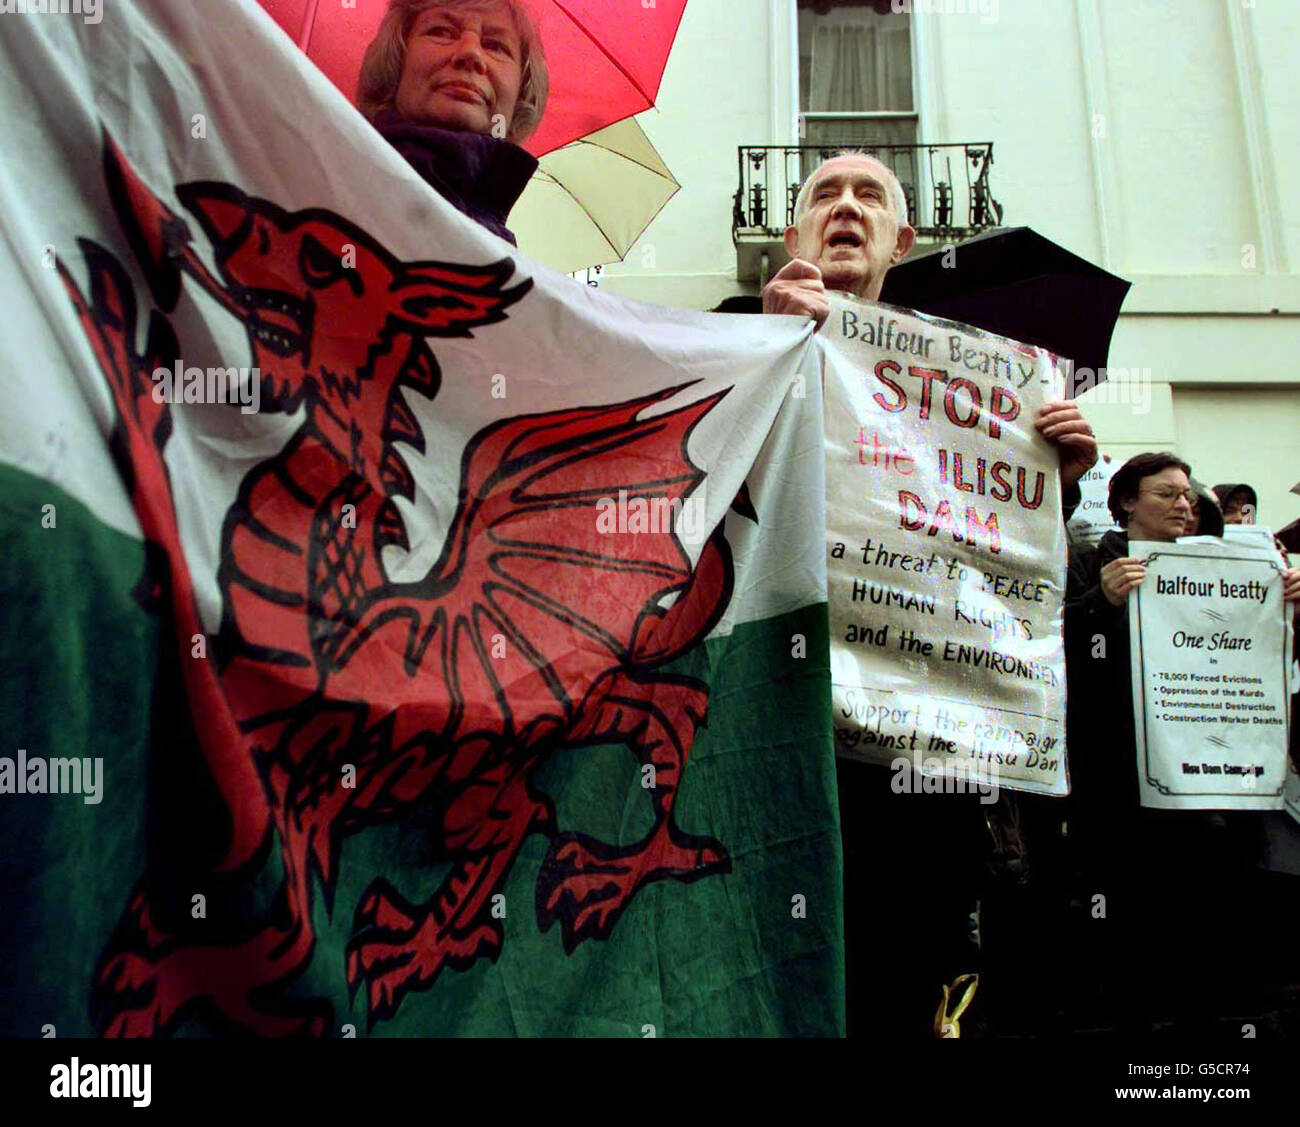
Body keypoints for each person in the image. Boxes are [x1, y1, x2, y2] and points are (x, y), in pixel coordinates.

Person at [757, 152, 1100, 1036]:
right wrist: (761, 350)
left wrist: (1045, 478)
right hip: (784, 738)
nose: (844, 207)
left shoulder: (971, 393)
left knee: (902, 979)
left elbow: (994, 574)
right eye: (823, 195)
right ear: (796, 233)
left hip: (923, 768)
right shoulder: (738, 336)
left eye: (868, 196)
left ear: (900, 242)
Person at [1063, 453, 1300, 1031]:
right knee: (1137, 918)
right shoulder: (1087, 564)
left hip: (1214, 781)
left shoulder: (1233, 564)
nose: (1183, 505)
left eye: (1188, 496)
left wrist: (1286, 600)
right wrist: (1101, 603)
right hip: (1123, 778)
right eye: (1166, 494)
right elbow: (1055, 653)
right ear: (1125, 502)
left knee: (1213, 915)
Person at [356, 0, 550, 245]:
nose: (470, 52)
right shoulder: (325, 192)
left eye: (495, 46)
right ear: (396, 60)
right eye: (441, 32)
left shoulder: (511, 268)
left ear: (521, 92)